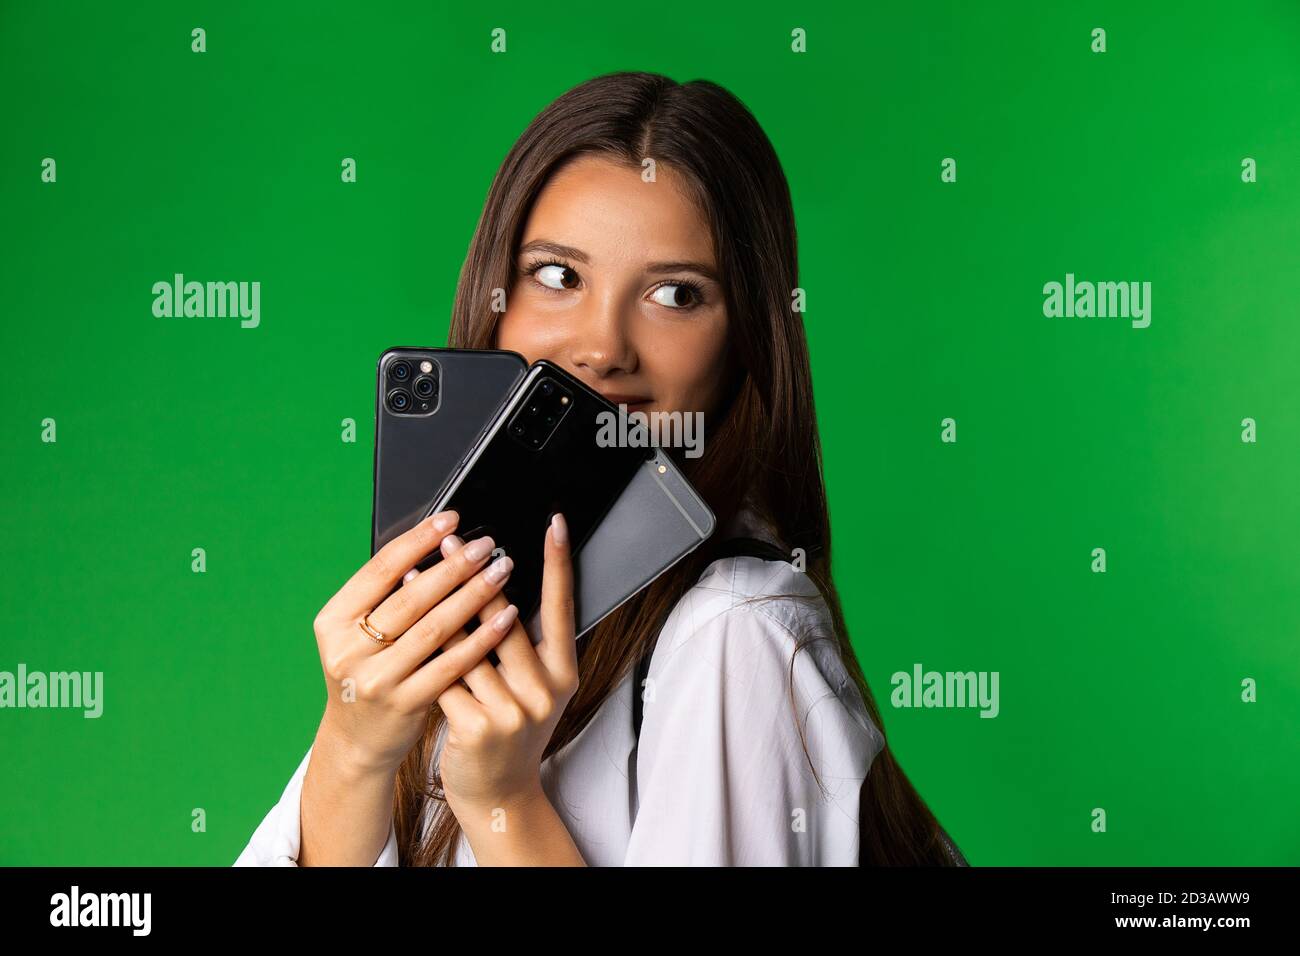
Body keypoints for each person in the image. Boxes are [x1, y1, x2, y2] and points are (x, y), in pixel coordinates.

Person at [236, 71, 961, 866]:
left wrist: (503, 800)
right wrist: (354, 749)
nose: (602, 348)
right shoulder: (451, 606)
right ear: (495, 296)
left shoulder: (736, 632)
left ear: (744, 343)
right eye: (557, 275)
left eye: (677, 294)